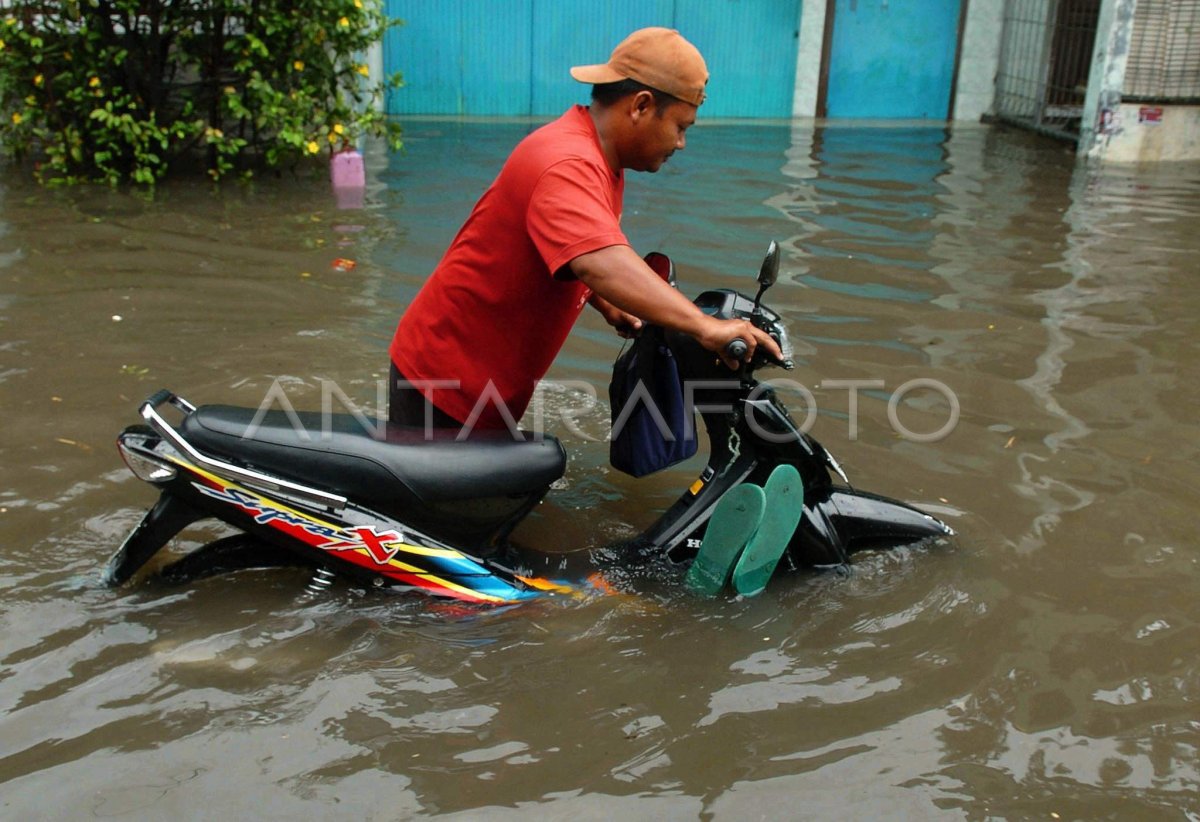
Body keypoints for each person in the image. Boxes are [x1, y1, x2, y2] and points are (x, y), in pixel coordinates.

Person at [389, 26, 781, 432]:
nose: (681, 143)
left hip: (481, 381)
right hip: (443, 381)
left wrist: (604, 300)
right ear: (642, 106)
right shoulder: (568, 163)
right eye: (681, 127)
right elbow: (600, 261)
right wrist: (706, 327)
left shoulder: (596, 158)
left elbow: (572, 249)